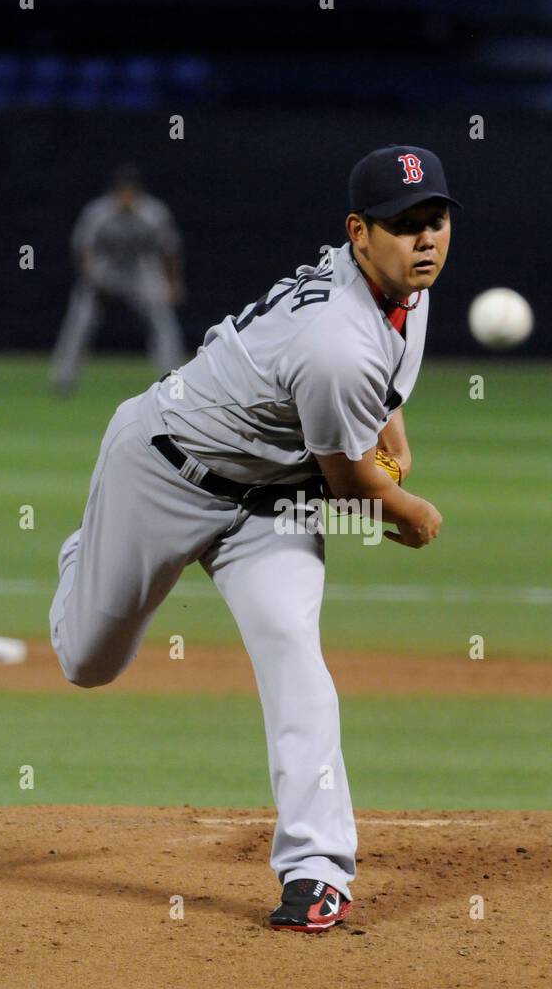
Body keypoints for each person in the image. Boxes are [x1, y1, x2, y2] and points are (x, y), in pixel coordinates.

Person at [49, 145, 459, 931]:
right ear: (357, 233)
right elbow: (352, 488)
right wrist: (408, 511)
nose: (425, 239)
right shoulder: (333, 338)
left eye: (434, 220)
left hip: (274, 499)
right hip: (163, 470)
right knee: (87, 663)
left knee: (290, 646)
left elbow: (380, 398)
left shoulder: (402, 284)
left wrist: (391, 450)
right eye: (404, 225)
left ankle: (317, 870)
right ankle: (90, 551)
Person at [49, 166, 186, 393]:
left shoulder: (154, 213)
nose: (126, 196)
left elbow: (170, 250)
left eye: (131, 191)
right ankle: (63, 378)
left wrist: (174, 284)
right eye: (122, 191)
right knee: (80, 320)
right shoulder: (97, 213)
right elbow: (83, 250)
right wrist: (92, 281)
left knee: (163, 320)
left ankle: (173, 380)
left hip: (141, 270)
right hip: (105, 270)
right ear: (113, 192)